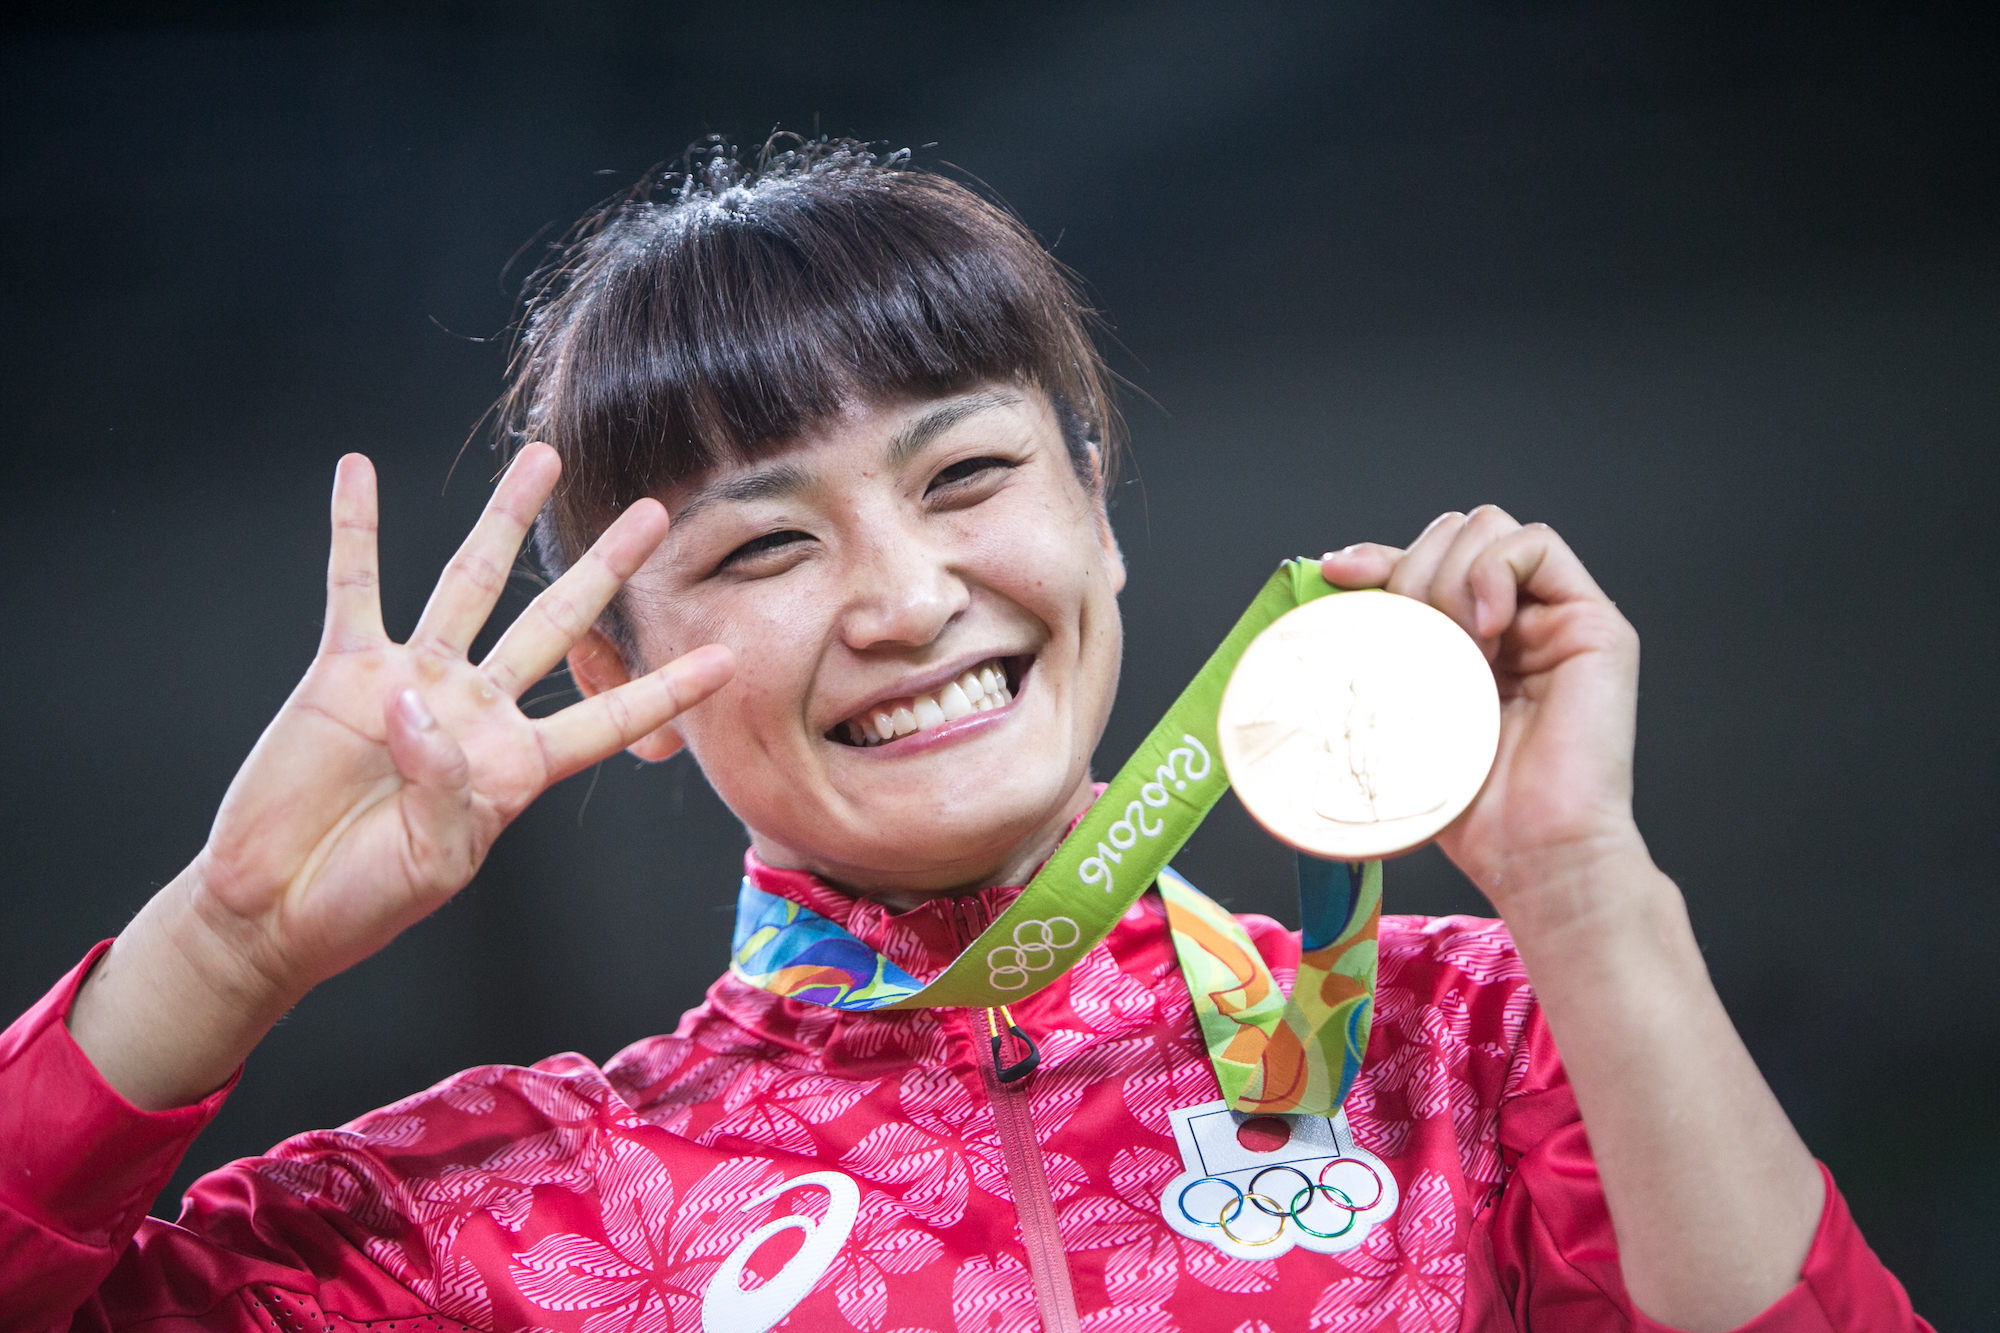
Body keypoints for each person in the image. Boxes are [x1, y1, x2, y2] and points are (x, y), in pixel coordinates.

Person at [0, 139, 1927, 1333]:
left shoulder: (1467, 1047)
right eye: (765, 540)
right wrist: (225, 941)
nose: (906, 594)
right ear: (613, 676)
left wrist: (1587, 891)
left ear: (1096, 511)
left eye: (967, 473)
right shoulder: (486, 1230)